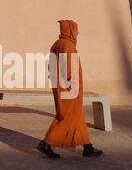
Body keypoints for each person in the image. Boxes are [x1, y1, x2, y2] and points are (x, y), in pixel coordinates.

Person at [37, 19, 103, 159]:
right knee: (66, 117)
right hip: (69, 89)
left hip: (60, 87)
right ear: (70, 30)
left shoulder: (56, 44)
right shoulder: (68, 46)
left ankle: (87, 147)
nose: (77, 33)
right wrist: (72, 86)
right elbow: (69, 69)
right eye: (76, 30)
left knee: (77, 116)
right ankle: (46, 143)